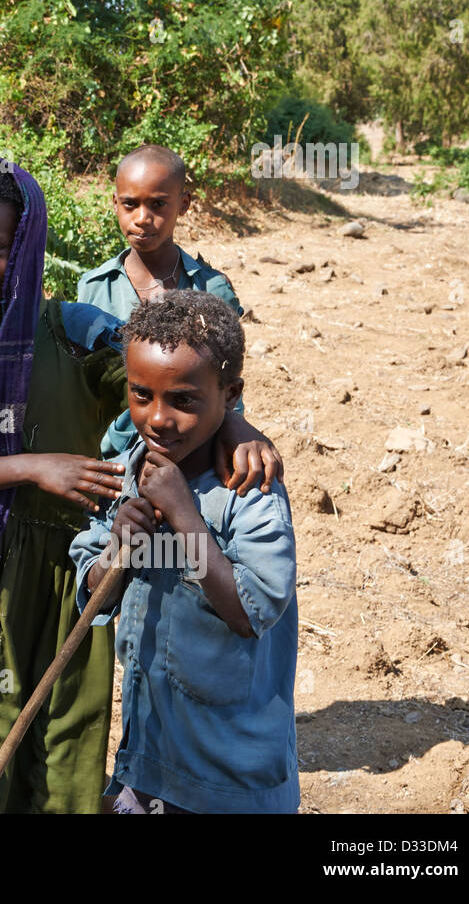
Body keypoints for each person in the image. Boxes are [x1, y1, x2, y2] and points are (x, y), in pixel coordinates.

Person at [0, 159, 282, 814]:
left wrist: (237, 420)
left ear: (24, 248)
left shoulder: (73, 330)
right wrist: (33, 465)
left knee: (65, 731)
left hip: (79, 562)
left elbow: (161, 377)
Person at [70, 291, 298, 814]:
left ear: (230, 395)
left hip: (228, 779)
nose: (158, 419)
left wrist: (185, 517)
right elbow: (93, 592)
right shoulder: (132, 468)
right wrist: (115, 551)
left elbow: (249, 611)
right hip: (149, 756)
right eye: (140, 395)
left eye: (184, 401)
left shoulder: (249, 491)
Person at [78, 144, 244, 457]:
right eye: (130, 204)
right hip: (112, 457)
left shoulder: (211, 288)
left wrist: (233, 436)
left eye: (158, 204)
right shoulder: (93, 289)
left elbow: (226, 379)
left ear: (183, 205)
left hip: (192, 454)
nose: (142, 218)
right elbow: (82, 387)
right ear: (115, 204)